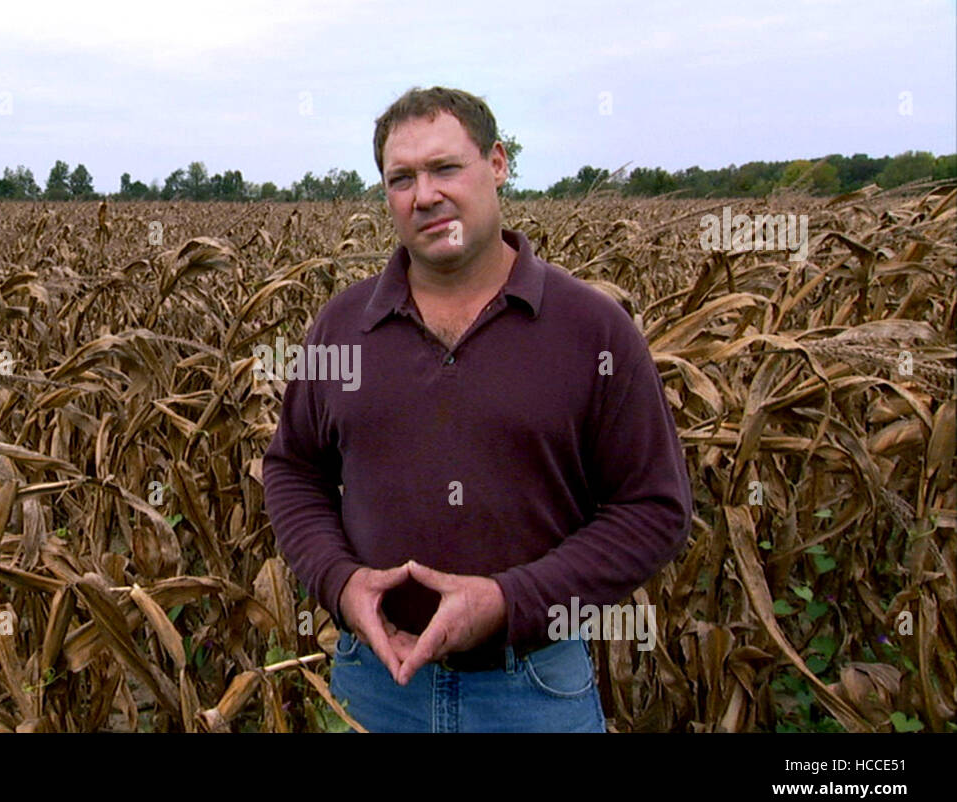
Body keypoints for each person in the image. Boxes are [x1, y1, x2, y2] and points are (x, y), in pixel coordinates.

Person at [260, 86, 693, 732]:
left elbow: (654, 508)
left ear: (496, 163)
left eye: (444, 168)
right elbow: (293, 469)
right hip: (374, 683)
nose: (424, 194)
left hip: (534, 686)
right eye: (400, 178)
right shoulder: (342, 327)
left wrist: (507, 601)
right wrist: (341, 583)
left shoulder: (592, 330)